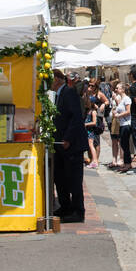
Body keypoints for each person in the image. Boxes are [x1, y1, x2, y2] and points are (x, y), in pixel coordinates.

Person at [51, 70, 88, 222]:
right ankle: (65, 206)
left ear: (58, 80)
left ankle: (78, 210)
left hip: (71, 145)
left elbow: (76, 118)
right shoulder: (58, 95)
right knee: (60, 177)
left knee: (74, 179)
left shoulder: (69, 93)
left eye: (50, 79)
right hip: (59, 144)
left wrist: (67, 138)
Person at [111, 81, 133, 170]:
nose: (116, 89)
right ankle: (126, 163)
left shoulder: (127, 99)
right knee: (123, 144)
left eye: (118, 88)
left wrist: (118, 115)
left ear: (123, 89)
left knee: (125, 144)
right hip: (122, 123)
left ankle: (128, 164)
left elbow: (128, 111)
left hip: (126, 124)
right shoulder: (122, 99)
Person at [82, 85, 101, 170]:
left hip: (90, 131)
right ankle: (93, 160)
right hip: (88, 131)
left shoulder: (93, 112)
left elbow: (94, 122)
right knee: (89, 145)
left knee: (91, 145)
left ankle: (95, 161)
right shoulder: (88, 111)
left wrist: (86, 124)